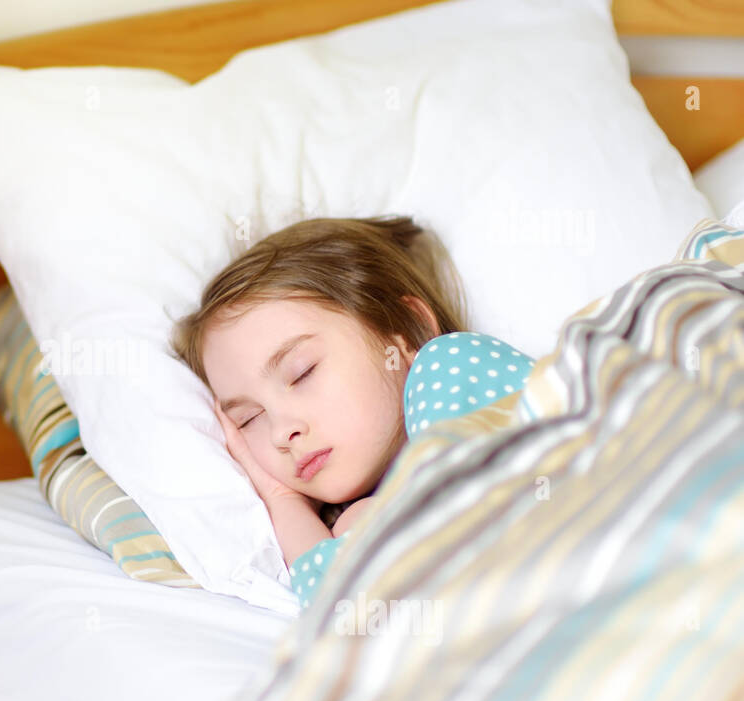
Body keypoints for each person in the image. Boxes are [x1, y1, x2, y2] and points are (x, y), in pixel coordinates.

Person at [169, 215, 535, 613]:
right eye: (248, 419)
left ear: (408, 332)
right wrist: (282, 499)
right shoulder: (352, 523)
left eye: (302, 372)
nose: (280, 432)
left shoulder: (456, 365)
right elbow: (347, 612)